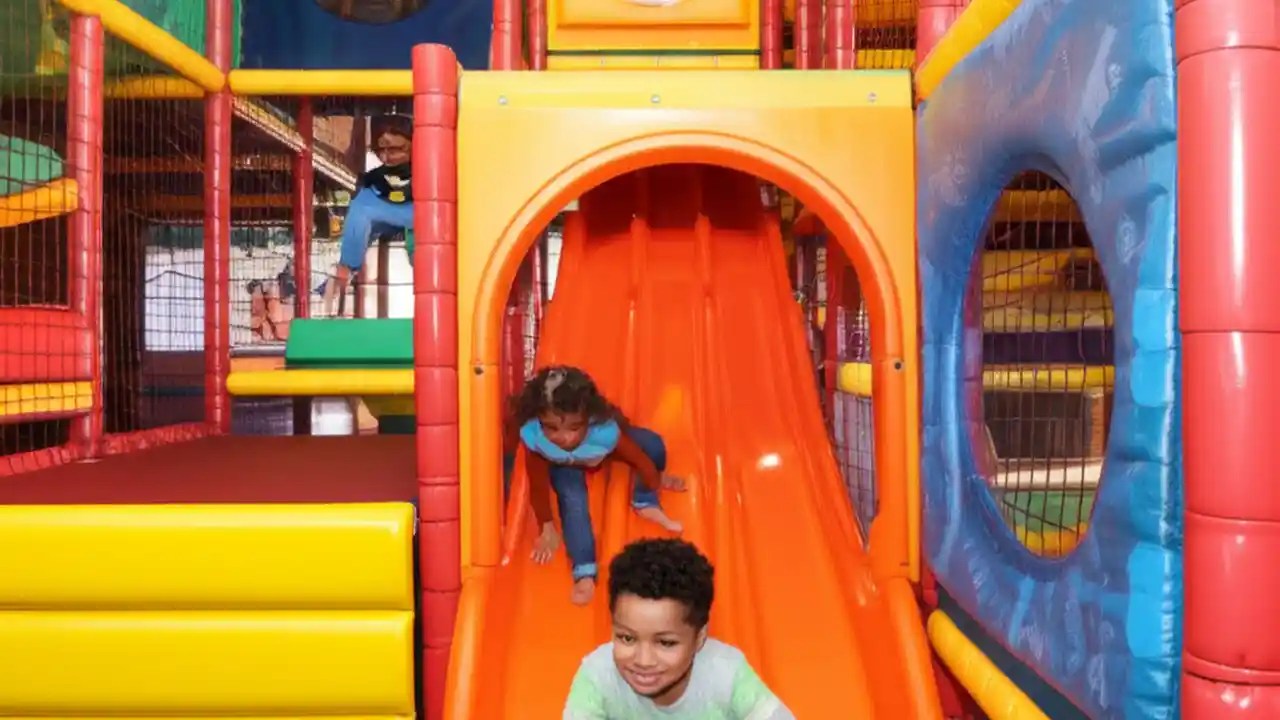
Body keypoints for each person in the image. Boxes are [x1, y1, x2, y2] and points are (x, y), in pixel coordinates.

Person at [564, 538, 794, 719]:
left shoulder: (726, 674)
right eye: (626, 638)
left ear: (699, 637)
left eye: (666, 643)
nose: (644, 660)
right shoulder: (598, 676)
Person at [513, 365, 684, 605]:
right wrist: (547, 525)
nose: (565, 438)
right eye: (551, 427)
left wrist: (653, 480)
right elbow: (538, 482)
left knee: (653, 444)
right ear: (539, 421)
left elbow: (638, 458)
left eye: (575, 427)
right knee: (572, 499)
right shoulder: (536, 438)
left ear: (589, 419)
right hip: (566, 466)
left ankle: (643, 500)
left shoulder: (604, 433)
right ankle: (584, 571)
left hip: (601, 452)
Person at [335, 115, 415, 292]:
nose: (386, 158)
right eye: (380, 151)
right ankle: (345, 269)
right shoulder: (375, 179)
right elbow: (361, 210)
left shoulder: (428, 170)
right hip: (390, 214)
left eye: (395, 150)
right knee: (360, 208)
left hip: (418, 216)